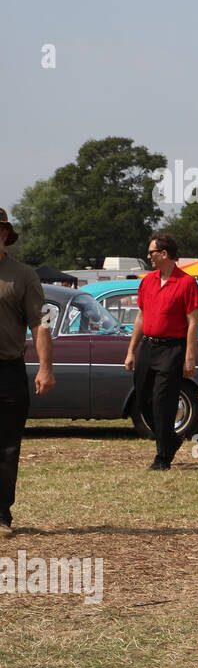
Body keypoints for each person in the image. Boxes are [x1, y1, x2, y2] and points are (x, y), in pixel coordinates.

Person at [124, 234, 198, 471]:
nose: (148, 257)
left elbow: (193, 323)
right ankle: (171, 439)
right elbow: (140, 317)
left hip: (172, 349)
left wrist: (189, 357)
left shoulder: (187, 283)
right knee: (143, 399)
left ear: (164, 254)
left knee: (163, 402)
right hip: (148, 346)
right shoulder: (147, 282)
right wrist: (131, 351)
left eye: (151, 253)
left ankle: (163, 456)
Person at [0, 208, 55, 536]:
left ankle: (1, 513)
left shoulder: (24, 275)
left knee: (6, 446)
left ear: (5, 235)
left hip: (8, 370)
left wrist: (46, 368)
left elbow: (41, 322)